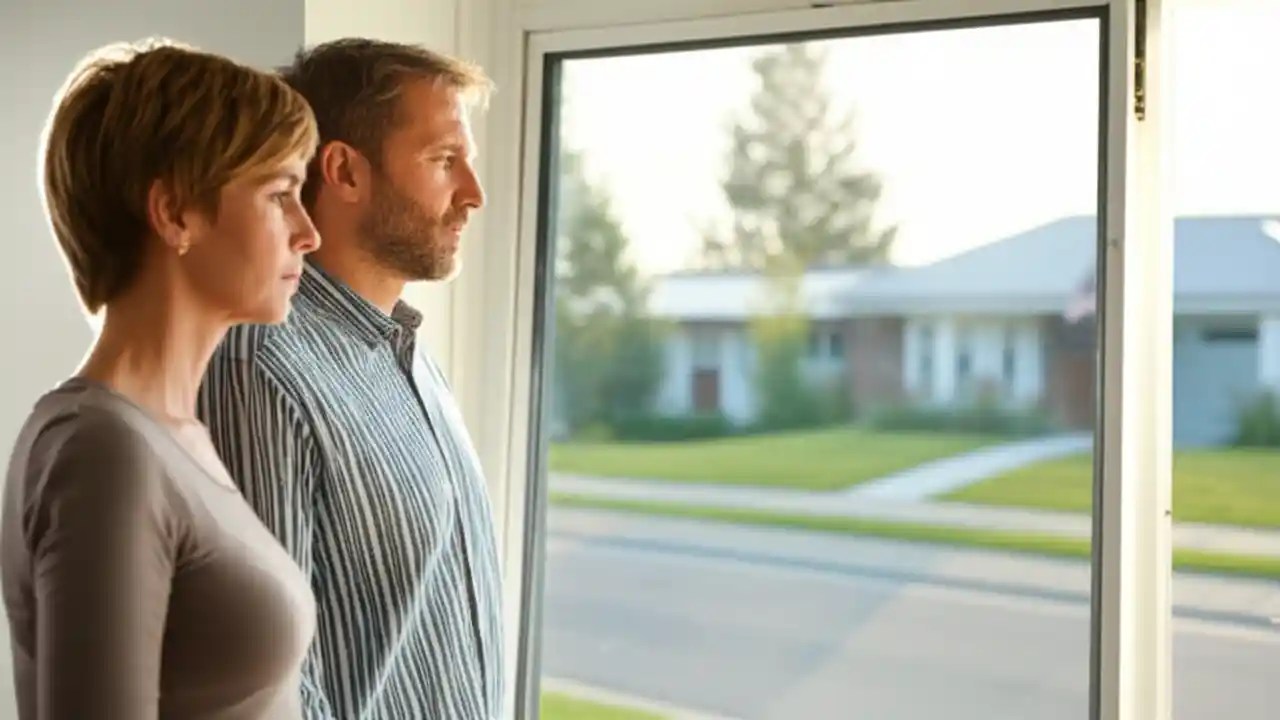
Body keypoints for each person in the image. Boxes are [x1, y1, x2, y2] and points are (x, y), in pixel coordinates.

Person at [1, 39, 322, 719]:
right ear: (176, 213)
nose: (308, 233)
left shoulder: (174, 437)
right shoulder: (102, 450)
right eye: (280, 194)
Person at [198, 39, 502, 719]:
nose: (473, 195)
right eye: (444, 160)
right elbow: (269, 686)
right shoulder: (260, 369)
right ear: (343, 171)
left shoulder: (412, 357)